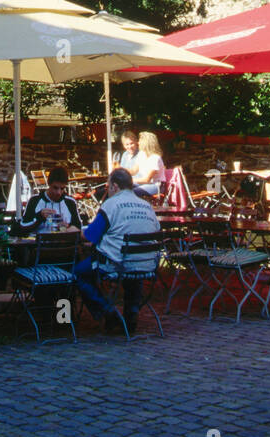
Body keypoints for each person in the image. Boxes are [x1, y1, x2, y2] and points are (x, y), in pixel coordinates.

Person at [74, 167, 161, 333]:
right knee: (133, 266)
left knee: (78, 273)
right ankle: (132, 313)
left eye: (108, 187)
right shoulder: (147, 206)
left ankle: (108, 312)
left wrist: (72, 230)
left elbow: (90, 236)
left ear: (114, 186)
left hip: (116, 264)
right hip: (146, 265)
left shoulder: (111, 205)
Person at [14, 167, 81, 236]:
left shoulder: (70, 202)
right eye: (55, 188)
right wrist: (39, 217)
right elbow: (22, 227)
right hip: (39, 244)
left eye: (62, 188)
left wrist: (67, 226)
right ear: (49, 184)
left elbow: (78, 228)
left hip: (63, 244)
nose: (59, 192)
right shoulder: (35, 200)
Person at [130, 130, 165, 197]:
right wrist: (121, 169)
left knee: (133, 191)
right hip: (146, 183)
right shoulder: (141, 155)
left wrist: (130, 180)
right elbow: (134, 171)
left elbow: (147, 179)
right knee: (123, 188)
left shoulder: (155, 158)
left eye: (139, 141)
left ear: (145, 143)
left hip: (156, 185)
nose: (138, 143)